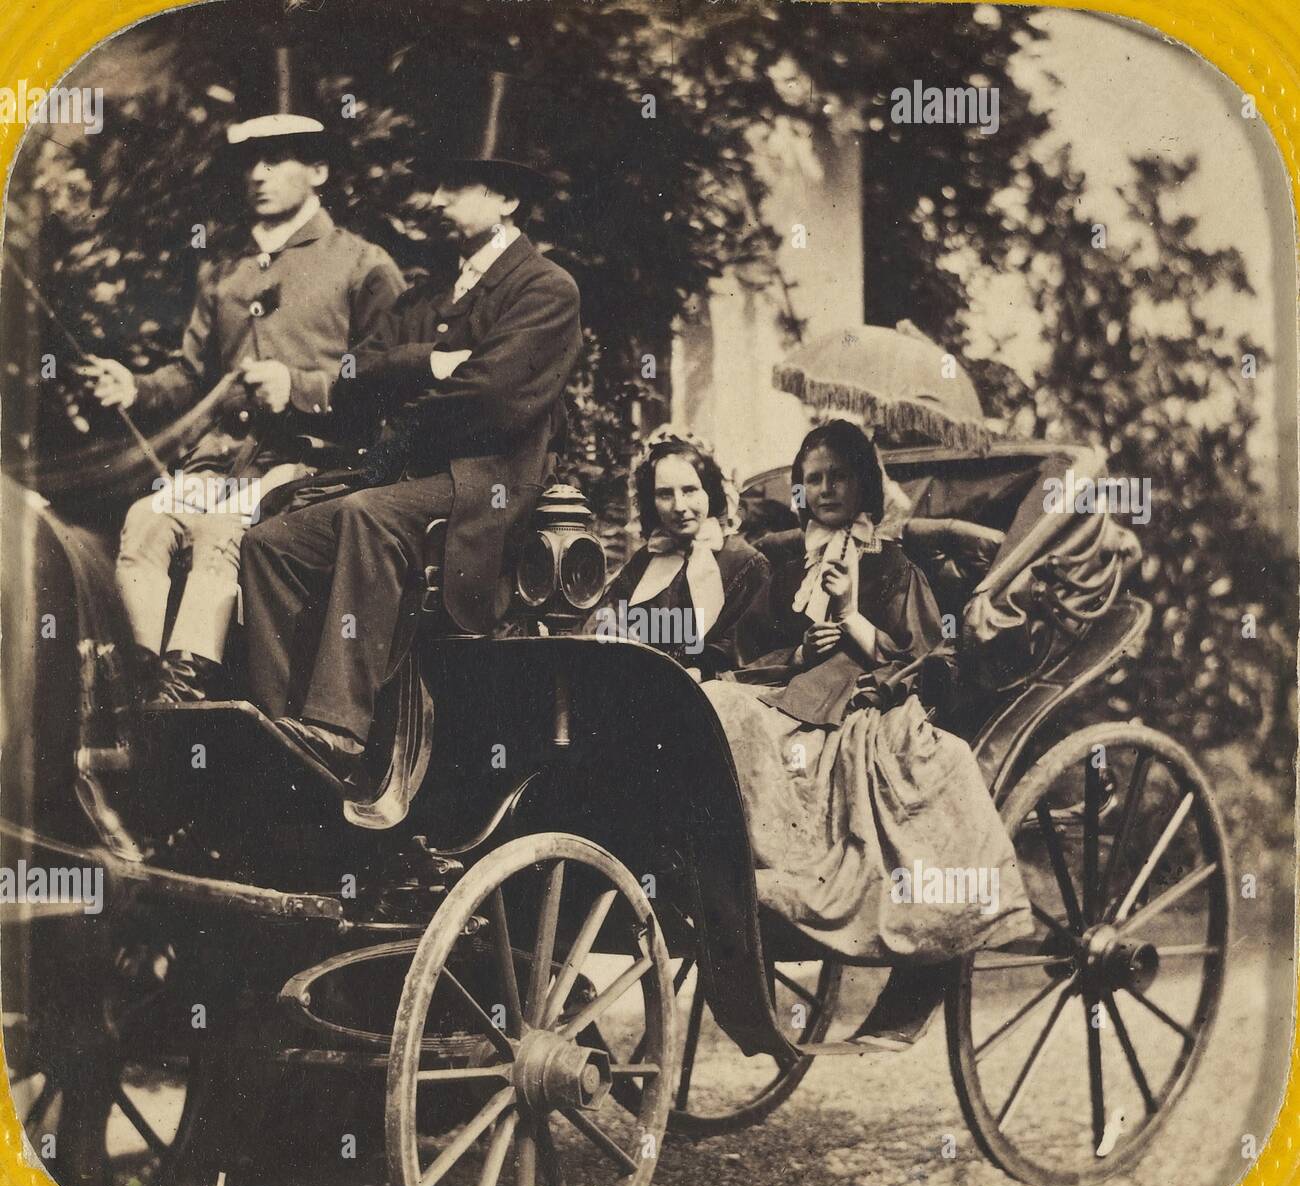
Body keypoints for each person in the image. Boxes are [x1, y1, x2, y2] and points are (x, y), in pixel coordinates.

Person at [240, 128, 582, 780]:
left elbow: (490, 400)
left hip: (487, 486)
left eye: (457, 186)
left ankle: (336, 728)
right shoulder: (427, 295)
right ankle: (274, 729)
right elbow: (354, 376)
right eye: (439, 184)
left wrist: (406, 407)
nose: (437, 199)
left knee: (368, 514)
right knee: (270, 545)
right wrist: (425, 360)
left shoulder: (545, 288)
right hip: (413, 482)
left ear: (506, 197)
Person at [708, 420, 1033, 1049]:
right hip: (792, 689)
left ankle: (810, 881)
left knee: (890, 756)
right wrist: (802, 644)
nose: (826, 490)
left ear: (864, 486)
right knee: (725, 708)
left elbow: (928, 658)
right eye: (813, 480)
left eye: (839, 477)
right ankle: (741, 865)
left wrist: (853, 619)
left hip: (865, 696)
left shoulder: (892, 563)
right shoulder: (785, 560)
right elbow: (749, 644)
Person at [85, 113, 405, 702]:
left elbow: (389, 380)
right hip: (220, 467)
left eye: (277, 158)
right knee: (147, 521)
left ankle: (182, 698)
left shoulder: (363, 265)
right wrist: (134, 387)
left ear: (319, 170)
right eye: (251, 161)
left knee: (220, 534)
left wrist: (301, 386)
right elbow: (190, 375)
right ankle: (137, 688)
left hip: (312, 469)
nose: (258, 175)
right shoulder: (224, 271)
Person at [588, 431, 769, 679]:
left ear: (711, 492)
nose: (680, 507)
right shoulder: (645, 561)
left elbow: (751, 648)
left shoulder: (746, 563)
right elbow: (607, 621)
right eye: (665, 494)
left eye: (690, 490)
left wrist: (701, 671)